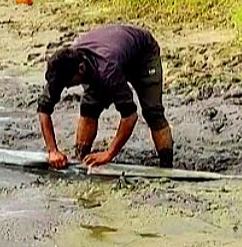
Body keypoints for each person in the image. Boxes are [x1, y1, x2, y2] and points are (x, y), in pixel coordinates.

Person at [36, 24, 173, 169]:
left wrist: (108, 154)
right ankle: (81, 157)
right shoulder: (61, 68)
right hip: (111, 52)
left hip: (143, 56)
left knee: (153, 112)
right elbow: (43, 109)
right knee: (89, 107)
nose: (67, 88)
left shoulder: (107, 70)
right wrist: (53, 151)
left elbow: (130, 116)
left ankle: (167, 165)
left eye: (68, 83)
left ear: (81, 69)